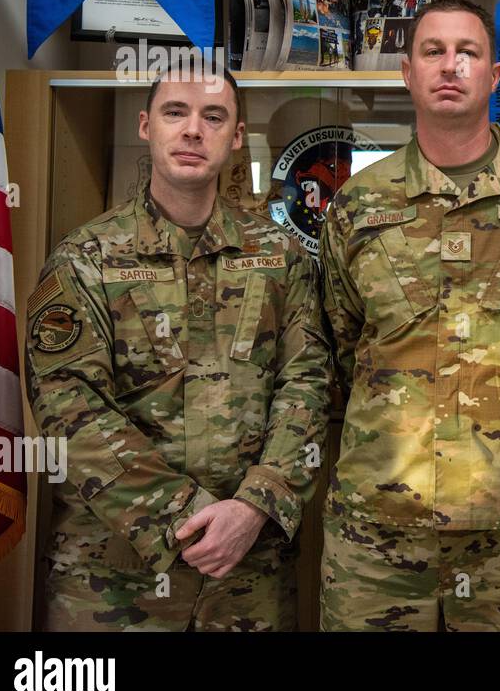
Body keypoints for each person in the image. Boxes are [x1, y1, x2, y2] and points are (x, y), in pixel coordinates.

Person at [318, 0, 500, 631]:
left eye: (468, 52)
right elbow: (340, 344)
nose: (451, 66)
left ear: (495, 74)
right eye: (434, 51)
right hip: (380, 528)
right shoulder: (360, 203)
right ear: (406, 72)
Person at [26, 60, 331, 630]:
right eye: (175, 112)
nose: (193, 130)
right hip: (112, 578)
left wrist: (254, 506)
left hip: (249, 571)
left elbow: (308, 387)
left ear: (237, 137)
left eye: (213, 116)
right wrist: (187, 514)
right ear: (146, 126)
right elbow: (71, 410)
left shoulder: (279, 257)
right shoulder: (86, 258)